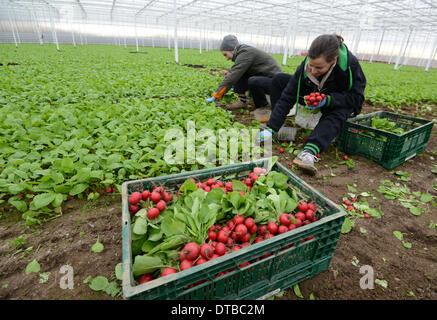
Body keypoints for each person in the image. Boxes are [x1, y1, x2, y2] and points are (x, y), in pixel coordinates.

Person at [259, 34, 366, 175]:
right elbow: (289, 95)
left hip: (335, 100)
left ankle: (309, 151)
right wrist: (271, 127)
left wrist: (328, 100)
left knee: (339, 111)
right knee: (280, 79)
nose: (313, 71)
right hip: (313, 95)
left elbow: (356, 98)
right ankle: (277, 128)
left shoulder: (349, 67)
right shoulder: (307, 65)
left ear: (333, 60)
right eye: (311, 65)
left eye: (319, 68)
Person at [206, 34, 283, 110]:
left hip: (276, 84)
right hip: (266, 78)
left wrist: (216, 95)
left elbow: (233, 75)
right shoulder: (242, 51)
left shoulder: (245, 52)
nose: (226, 58)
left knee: (251, 80)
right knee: (240, 73)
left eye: (225, 54)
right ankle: (242, 101)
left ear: (232, 50)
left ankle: (263, 107)